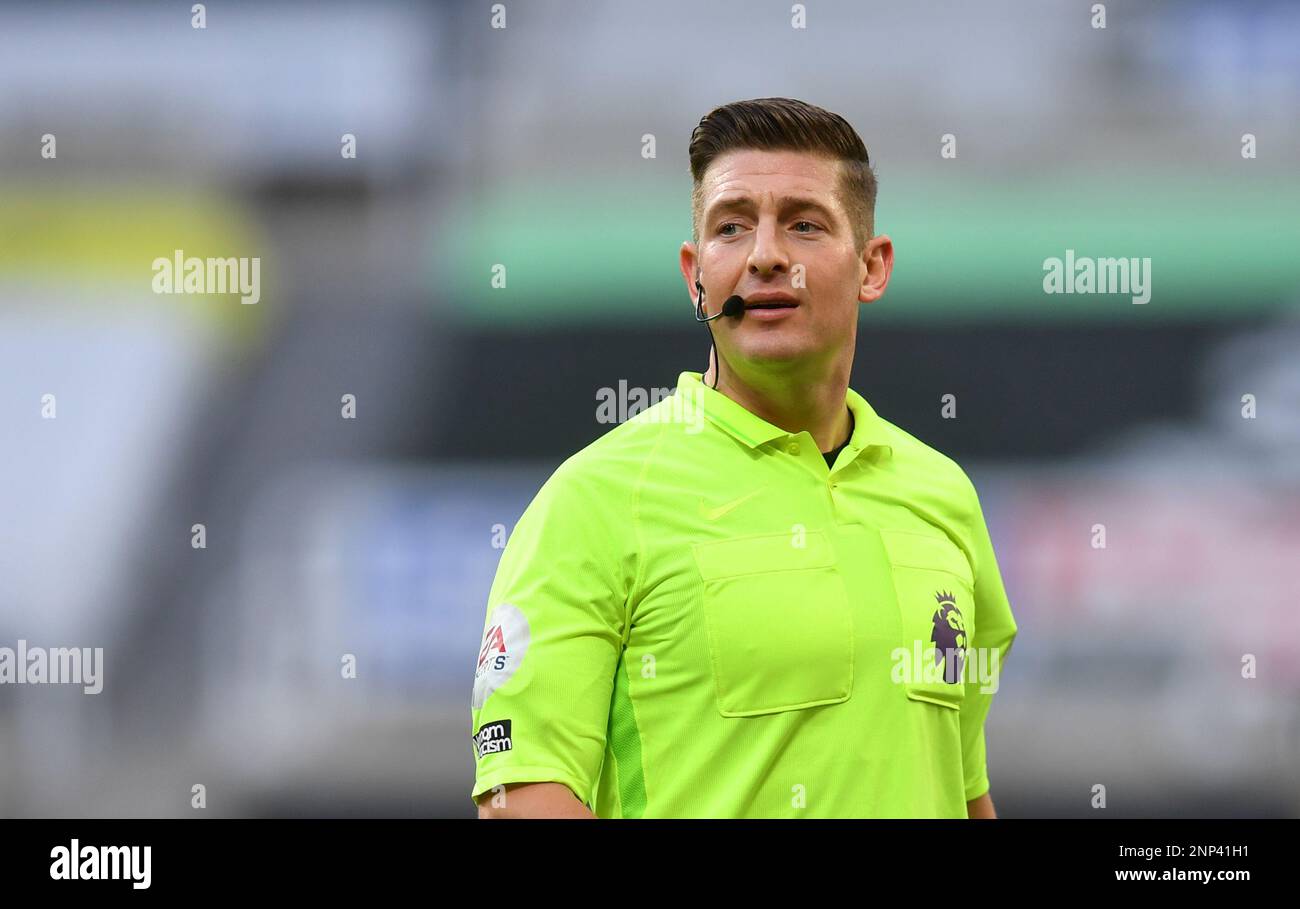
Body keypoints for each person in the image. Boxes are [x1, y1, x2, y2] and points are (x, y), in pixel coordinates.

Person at [471, 97, 1017, 818]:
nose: (764, 255)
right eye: (732, 226)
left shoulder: (942, 495)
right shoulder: (593, 500)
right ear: (696, 274)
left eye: (803, 223)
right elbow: (523, 797)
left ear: (872, 266)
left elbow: (960, 784)